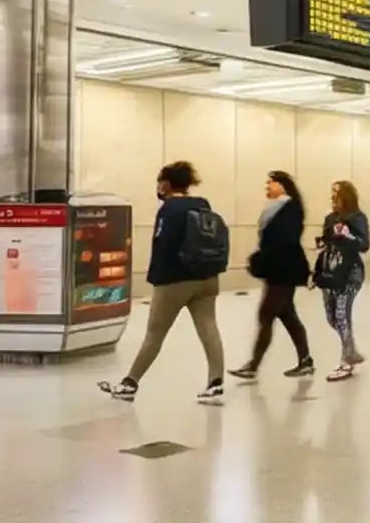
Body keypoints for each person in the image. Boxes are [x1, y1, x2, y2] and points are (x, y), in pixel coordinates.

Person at [100, 161, 227, 405]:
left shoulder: (169, 209)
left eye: (160, 181)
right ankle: (215, 383)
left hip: (175, 280)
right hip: (208, 277)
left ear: (167, 183)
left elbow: (163, 246)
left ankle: (130, 383)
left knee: (154, 334)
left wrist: (155, 279)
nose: (158, 186)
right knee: (209, 328)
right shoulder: (203, 206)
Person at [229, 171, 315, 380]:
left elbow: (285, 241)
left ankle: (253, 366)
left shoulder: (291, 208)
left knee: (266, 314)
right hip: (277, 269)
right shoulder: (275, 208)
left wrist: (261, 258)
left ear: (283, 186)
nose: (267, 186)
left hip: (284, 270)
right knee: (287, 315)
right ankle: (305, 361)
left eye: (271, 183)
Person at [318, 180, 370, 382]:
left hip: (350, 273)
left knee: (341, 314)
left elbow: (364, 245)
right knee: (332, 317)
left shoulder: (357, 218)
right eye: (331, 195)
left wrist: (349, 236)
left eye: (336, 195)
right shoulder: (330, 218)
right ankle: (351, 350)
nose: (333, 199)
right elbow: (327, 241)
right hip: (331, 271)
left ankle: (346, 362)